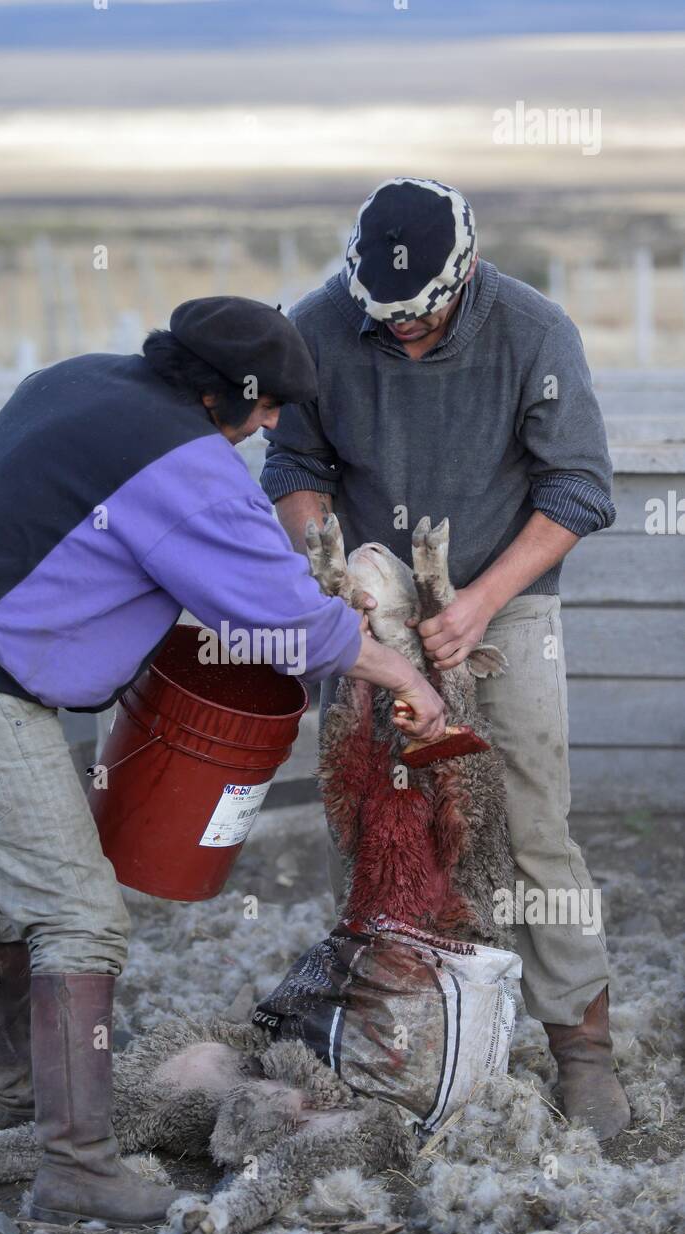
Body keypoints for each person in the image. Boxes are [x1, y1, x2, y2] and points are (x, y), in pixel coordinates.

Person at [0, 295, 446, 1227]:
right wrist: (393, 670)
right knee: (81, 919)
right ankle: (75, 1166)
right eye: (264, 411)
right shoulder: (187, 469)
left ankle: (6, 1101)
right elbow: (286, 617)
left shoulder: (77, 379)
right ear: (222, 396)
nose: (268, 430)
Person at [261, 179, 630, 1141]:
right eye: (386, 322)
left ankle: (579, 1042)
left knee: (530, 820)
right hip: (371, 604)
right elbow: (295, 466)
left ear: (465, 275)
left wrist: (477, 603)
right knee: (371, 810)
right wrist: (331, 568)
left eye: (423, 318)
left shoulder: (534, 330)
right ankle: (395, 1025)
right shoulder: (322, 326)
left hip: (499, 599)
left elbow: (581, 491)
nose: (405, 334)